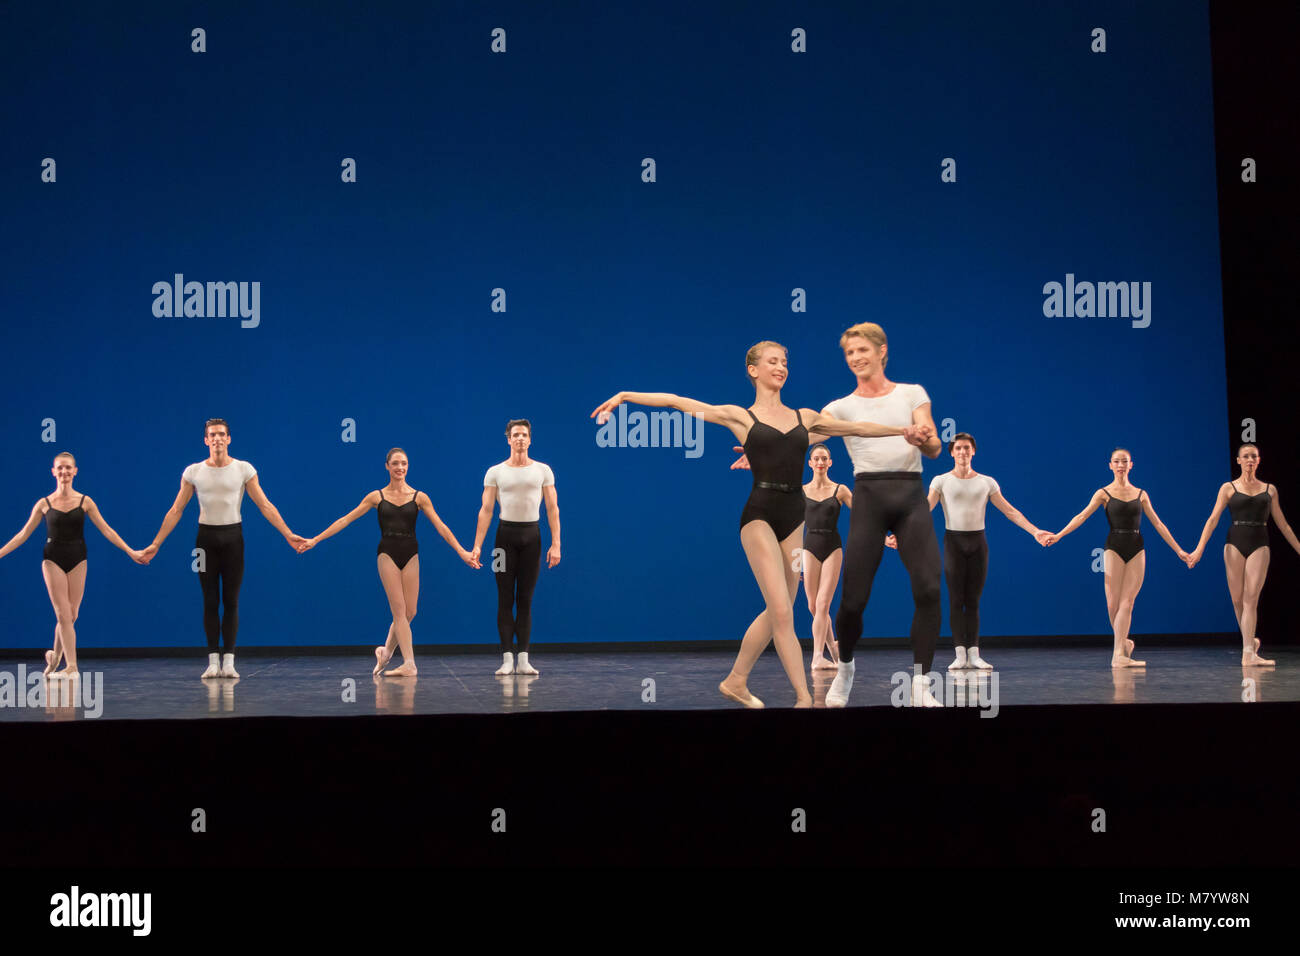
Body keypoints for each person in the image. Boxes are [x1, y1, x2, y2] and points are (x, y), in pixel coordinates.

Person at [593, 340, 920, 708]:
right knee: (781, 611)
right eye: (773, 361)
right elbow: (676, 401)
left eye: (785, 361)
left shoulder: (805, 418)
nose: (781, 366)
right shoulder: (740, 417)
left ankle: (736, 680)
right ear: (754, 370)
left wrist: (902, 431)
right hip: (759, 514)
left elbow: (856, 428)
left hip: (794, 516)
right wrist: (624, 395)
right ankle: (803, 698)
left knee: (778, 609)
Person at [144, 419, 305, 679]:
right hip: (204, 541)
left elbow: (265, 505)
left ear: (229, 439)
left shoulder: (244, 469)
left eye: (221, 434)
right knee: (210, 600)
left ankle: (229, 661)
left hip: (233, 538)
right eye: (212, 435)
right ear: (206, 440)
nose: (217, 438)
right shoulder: (193, 472)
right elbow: (176, 510)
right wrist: (156, 543)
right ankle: (212, 662)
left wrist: (287, 533)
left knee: (231, 600)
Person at [298, 448, 478, 676]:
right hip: (387, 554)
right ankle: (409, 664)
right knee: (399, 610)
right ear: (387, 466)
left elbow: (441, 527)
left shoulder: (419, 497)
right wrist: (316, 539)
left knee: (411, 611)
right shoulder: (376, 497)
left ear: (408, 466)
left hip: (411, 553)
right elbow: (346, 519)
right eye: (395, 463)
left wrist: (462, 551)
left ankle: (385, 653)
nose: (400, 467)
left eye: (403, 463)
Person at [885, 432, 1048, 670]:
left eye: (967, 448)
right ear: (952, 452)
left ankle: (974, 654)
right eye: (958, 448)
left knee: (973, 602)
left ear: (974, 452)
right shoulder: (941, 481)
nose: (963, 452)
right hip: (954, 543)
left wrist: (1035, 531)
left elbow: (1010, 511)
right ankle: (960, 654)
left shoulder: (987, 482)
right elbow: (924, 510)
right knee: (956, 600)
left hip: (978, 544)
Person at [0, 452, 146, 678]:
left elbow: (107, 530)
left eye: (68, 468)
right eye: (60, 468)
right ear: (53, 471)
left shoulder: (84, 501)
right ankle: (72, 667)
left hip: (78, 557)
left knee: (72, 614)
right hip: (52, 559)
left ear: (75, 471)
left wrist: (130, 551)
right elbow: (23, 534)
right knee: (62, 614)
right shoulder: (44, 504)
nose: (64, 472)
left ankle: (55, 658)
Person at [1042, 448, 1189, 667]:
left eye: (1124, 461)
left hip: (1137, 548)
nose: (1120, 465)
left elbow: (1158, 524)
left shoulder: (1141, 494)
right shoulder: (1103, 493)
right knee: (1113, 604)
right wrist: (1060, 535)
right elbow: (1081, 515)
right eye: (1116, 461)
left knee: (1127, 602)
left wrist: (1179, 550)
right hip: (1113, 547)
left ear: (1131, 465)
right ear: (1110, 465)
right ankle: (1123, 644)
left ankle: (1117, 656)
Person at [1185, 444, 1300, 666]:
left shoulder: (1269, 490)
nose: (1249, 460)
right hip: (1234, 543)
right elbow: (1212, 520)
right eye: (1245, 456)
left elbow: (1284, 525)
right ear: (1238, 460)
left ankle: (1248, 654)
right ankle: (1250, 643)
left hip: (1260, 543)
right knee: (1237, 599)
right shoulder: (1228, 488)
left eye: (1253, 456)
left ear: (1259, 461)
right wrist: (1199, 549)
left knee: (1250, 598)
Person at [472, 420, 560, 677]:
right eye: (515, 435)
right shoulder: (495, 472)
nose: (520, 438)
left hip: (532, 537)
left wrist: (556, 543)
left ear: (529, 439)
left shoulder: (543, 470)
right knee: (504, 598)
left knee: (525, 600)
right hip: (504, 539)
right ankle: (507, 658)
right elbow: (486, 510)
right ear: (508, 439)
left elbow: (552, 509)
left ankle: (523, 659)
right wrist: (477, 545)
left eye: (524, 435)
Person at [801, 444, 851, 670]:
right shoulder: (800, 491)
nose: (820, 462)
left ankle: (817, 657)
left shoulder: (840, 490)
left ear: (830, 462)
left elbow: (862, 516)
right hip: (809, 547)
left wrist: (882, 536)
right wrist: (793, 563)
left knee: (823, 603)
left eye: (824, 459)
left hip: (833, 547)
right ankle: (833, 648)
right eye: (816, 459)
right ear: (810, 463)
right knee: (813, 606)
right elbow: (790, 527)